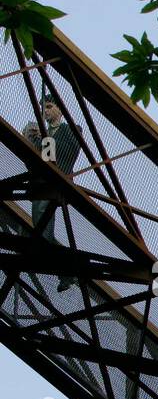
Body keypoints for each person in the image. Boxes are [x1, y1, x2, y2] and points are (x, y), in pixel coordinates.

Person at [24, 93, 81, 289]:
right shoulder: (42, 133)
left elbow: (67, 153)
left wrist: (46, 139)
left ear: (59, 109)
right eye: (44, 109)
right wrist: (30, 139)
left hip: (55, 185)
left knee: (41, 229)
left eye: (49, 107)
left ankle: (70, 267)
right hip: (42, 185)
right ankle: (68, 268)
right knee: (41, 232)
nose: (46, 112)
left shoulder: (71, 129)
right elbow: (38, 161)